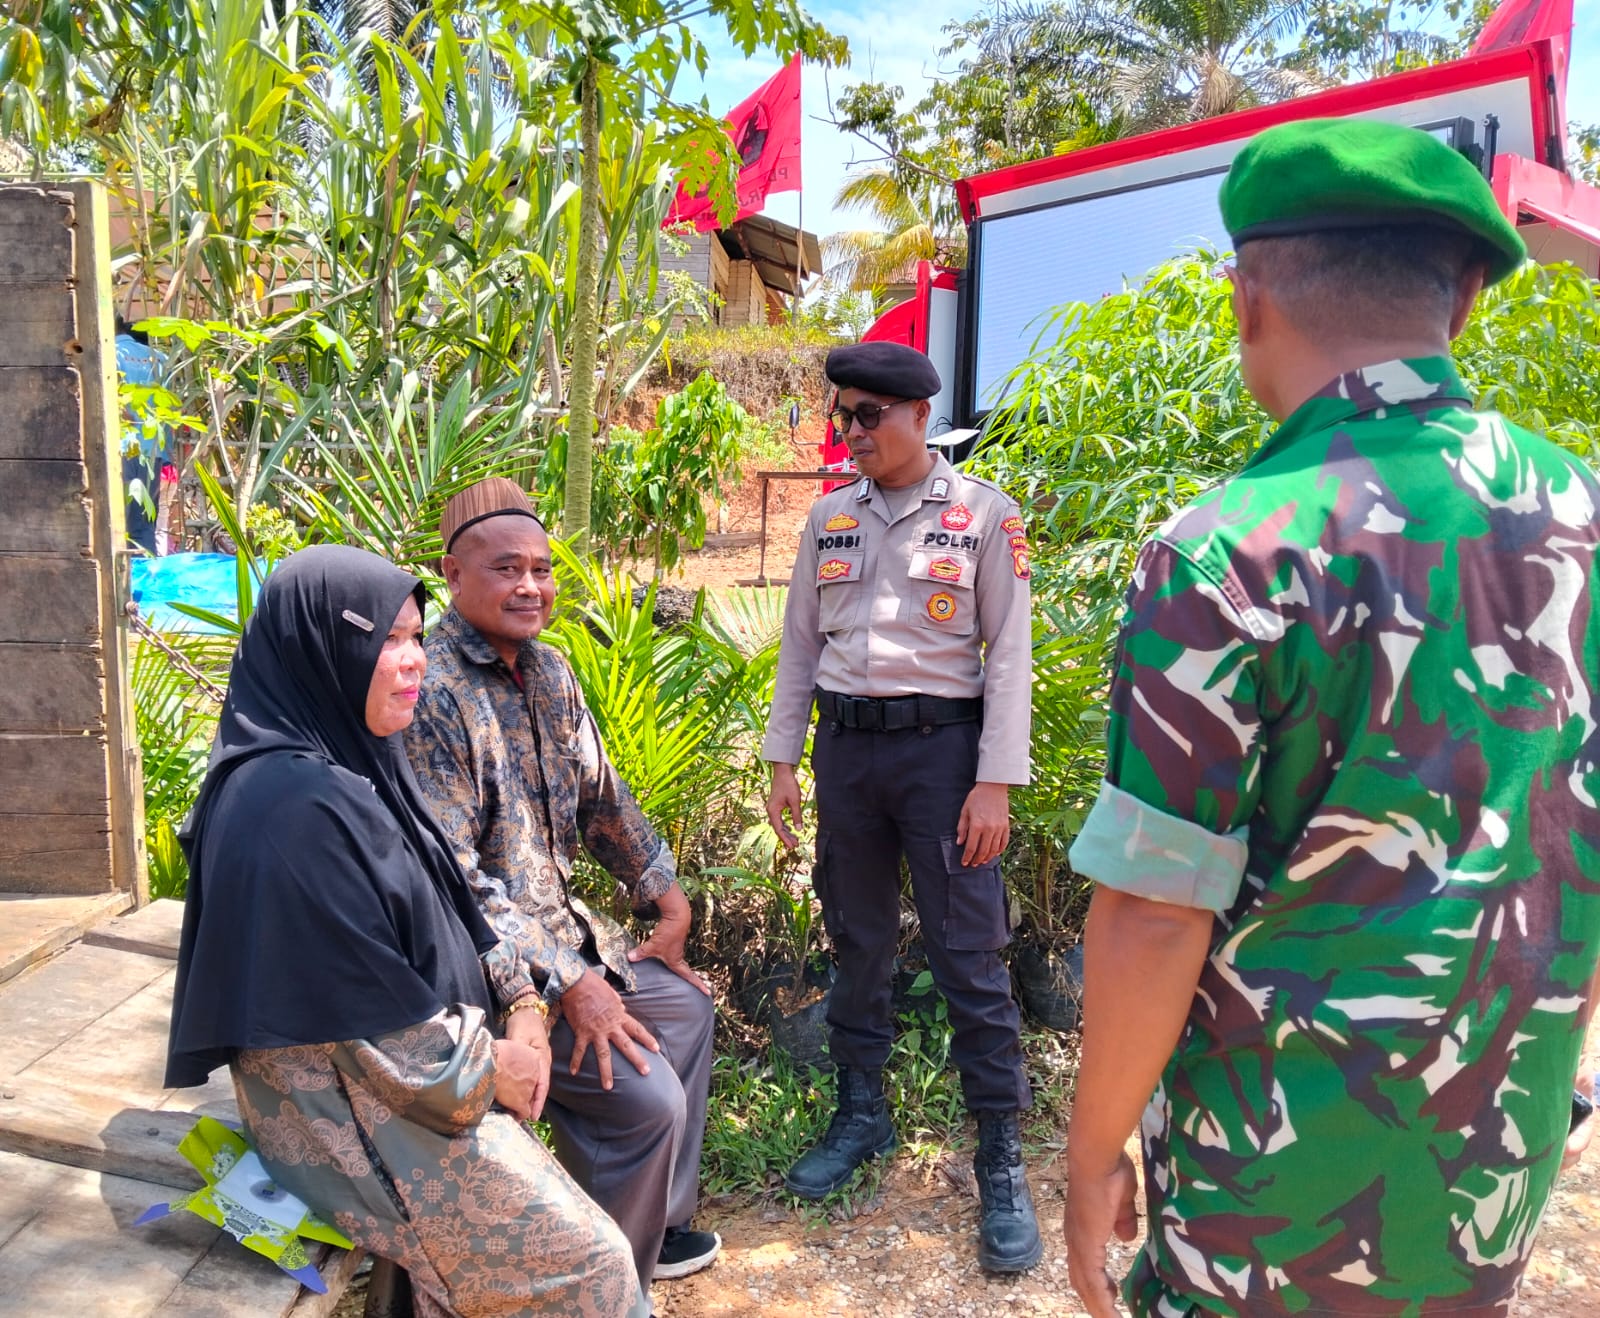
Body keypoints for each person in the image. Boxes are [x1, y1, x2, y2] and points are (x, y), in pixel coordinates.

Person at [1062, 117, 1600, 1318]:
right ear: (1462, 300)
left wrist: (1091, 1149)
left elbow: (1155, 910)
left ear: (1247, 295)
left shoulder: (1225, 549)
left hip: (1278, 1185)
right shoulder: (1584, 513)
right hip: (1492, 1154)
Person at [166, 544, 646, 1318]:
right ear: (323, 650)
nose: (412, 660)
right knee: (590, 1264)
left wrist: (521, 996)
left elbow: (457, 890)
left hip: (411, 1078)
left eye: (417, 637)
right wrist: (500, 1067)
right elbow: (382, 1036)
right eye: (383, 642)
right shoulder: (290, 811)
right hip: (352, 1112)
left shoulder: (354, 762)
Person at [762, 342, 1040, 1272]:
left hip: (944, 760)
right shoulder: (828, 519)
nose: (853, 431)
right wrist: (780, 761)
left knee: (968, 946)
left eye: (870, 415)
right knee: (858, 937)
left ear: (921, 417)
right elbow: (799, 647)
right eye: (844, 415)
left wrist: (994, 779)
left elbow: (1008, 658)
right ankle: (861, 1113)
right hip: (846, 756)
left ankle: (998, 1152)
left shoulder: (982, 519)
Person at [403, 479, 720, 1293]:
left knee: (684, 1014)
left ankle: (648, 1228)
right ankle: (604, 1284)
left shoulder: (548, 671)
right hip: (494, 976)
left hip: (570, 946)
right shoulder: (433, 691)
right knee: (647, 1102)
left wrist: (664, 891)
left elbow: (603, 799)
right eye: (507, 568)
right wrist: (571, 984)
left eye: (542, 569)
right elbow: (458, 880)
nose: (531, 587)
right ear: (453, 572)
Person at [114, 314, 173, 556]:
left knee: (117, 526)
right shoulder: (160, 359)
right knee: (145, 526)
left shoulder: (109, 357)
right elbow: (170, 408)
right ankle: (146, 586)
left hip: (122, 448)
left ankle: (120, 585)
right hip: (153, 450)